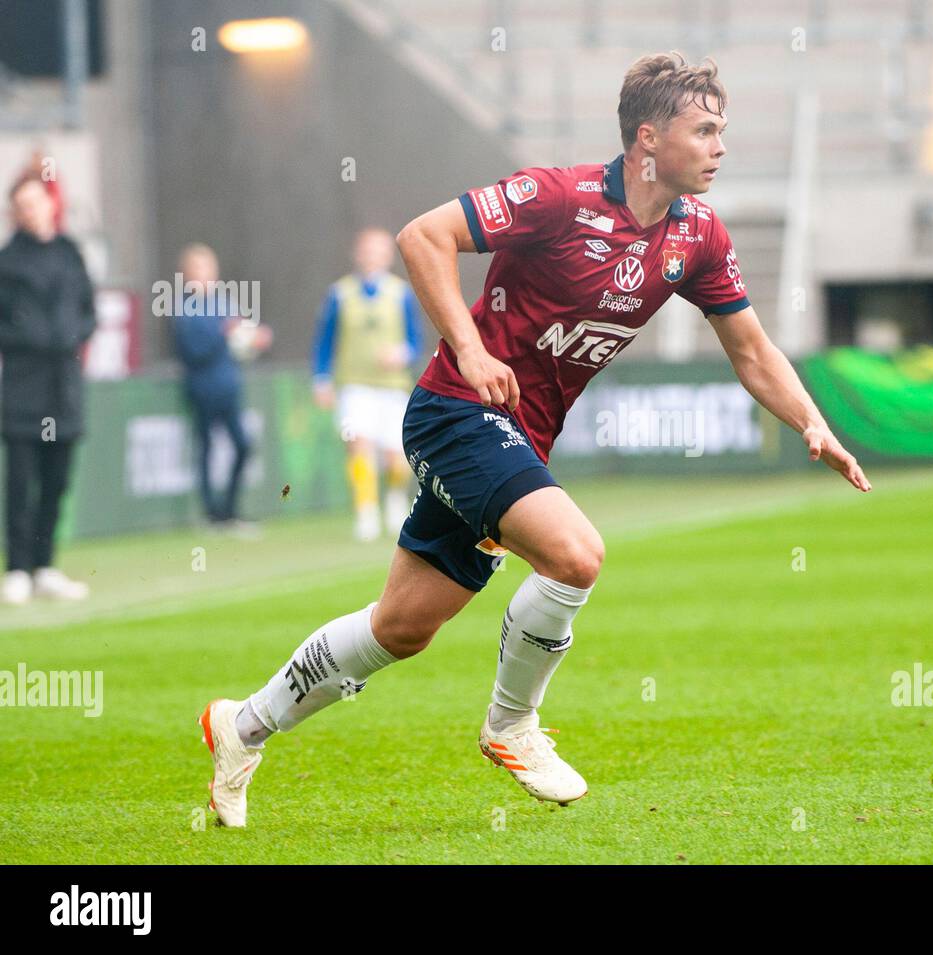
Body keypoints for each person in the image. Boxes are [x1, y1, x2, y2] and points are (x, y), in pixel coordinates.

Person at [198, 52, 870, 827]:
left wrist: (813, 422)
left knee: (402, 627)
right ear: (648, 138)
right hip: (454, 412)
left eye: (723, 130)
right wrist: (472, 348)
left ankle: (239, 726)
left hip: (518, 436)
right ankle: (511, 724)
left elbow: (752, 351)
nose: (721, 146)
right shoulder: (559, 197)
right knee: (576, 553)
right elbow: (424, 236)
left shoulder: (697, 236)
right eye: (706, 130)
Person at [0, 176, 95, 605]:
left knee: (57, 480)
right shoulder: (7, 262)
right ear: (14, 212)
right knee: (21, 481)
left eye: (35, 202)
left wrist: (72, 334)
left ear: (48, 205)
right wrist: (27, 335)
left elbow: (88, 312)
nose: (30, 210)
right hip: (23, 389)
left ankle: (45, 565)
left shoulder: (70, 253)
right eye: (22, 205)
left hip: (63, 389)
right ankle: (17, 568)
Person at [311, 228, 422, 541]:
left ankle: (395, 499)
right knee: (358, 443)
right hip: (354, 385)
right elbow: (324, 340)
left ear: (388, 256)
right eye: (366, 250)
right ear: (356, 254)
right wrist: (321, 379)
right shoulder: (340, 293)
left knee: (393, 454)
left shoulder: (401, 293)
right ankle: (366, 510)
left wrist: (401, 354)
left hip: (392, 386)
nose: (371, 257)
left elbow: (415, 340)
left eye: (378, 251)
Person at [172, 243, 269, 529]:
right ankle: (211, 514)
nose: (205, 276)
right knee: (206, 449)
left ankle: (229, 510)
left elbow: (240, 341)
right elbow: (193, 350)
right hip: (202, 388)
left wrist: (255, 338)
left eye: (208, 269)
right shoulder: (184, 308)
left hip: (228, 385)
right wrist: (223, 333)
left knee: (242, 445)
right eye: (198, 270)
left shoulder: (224, 302)